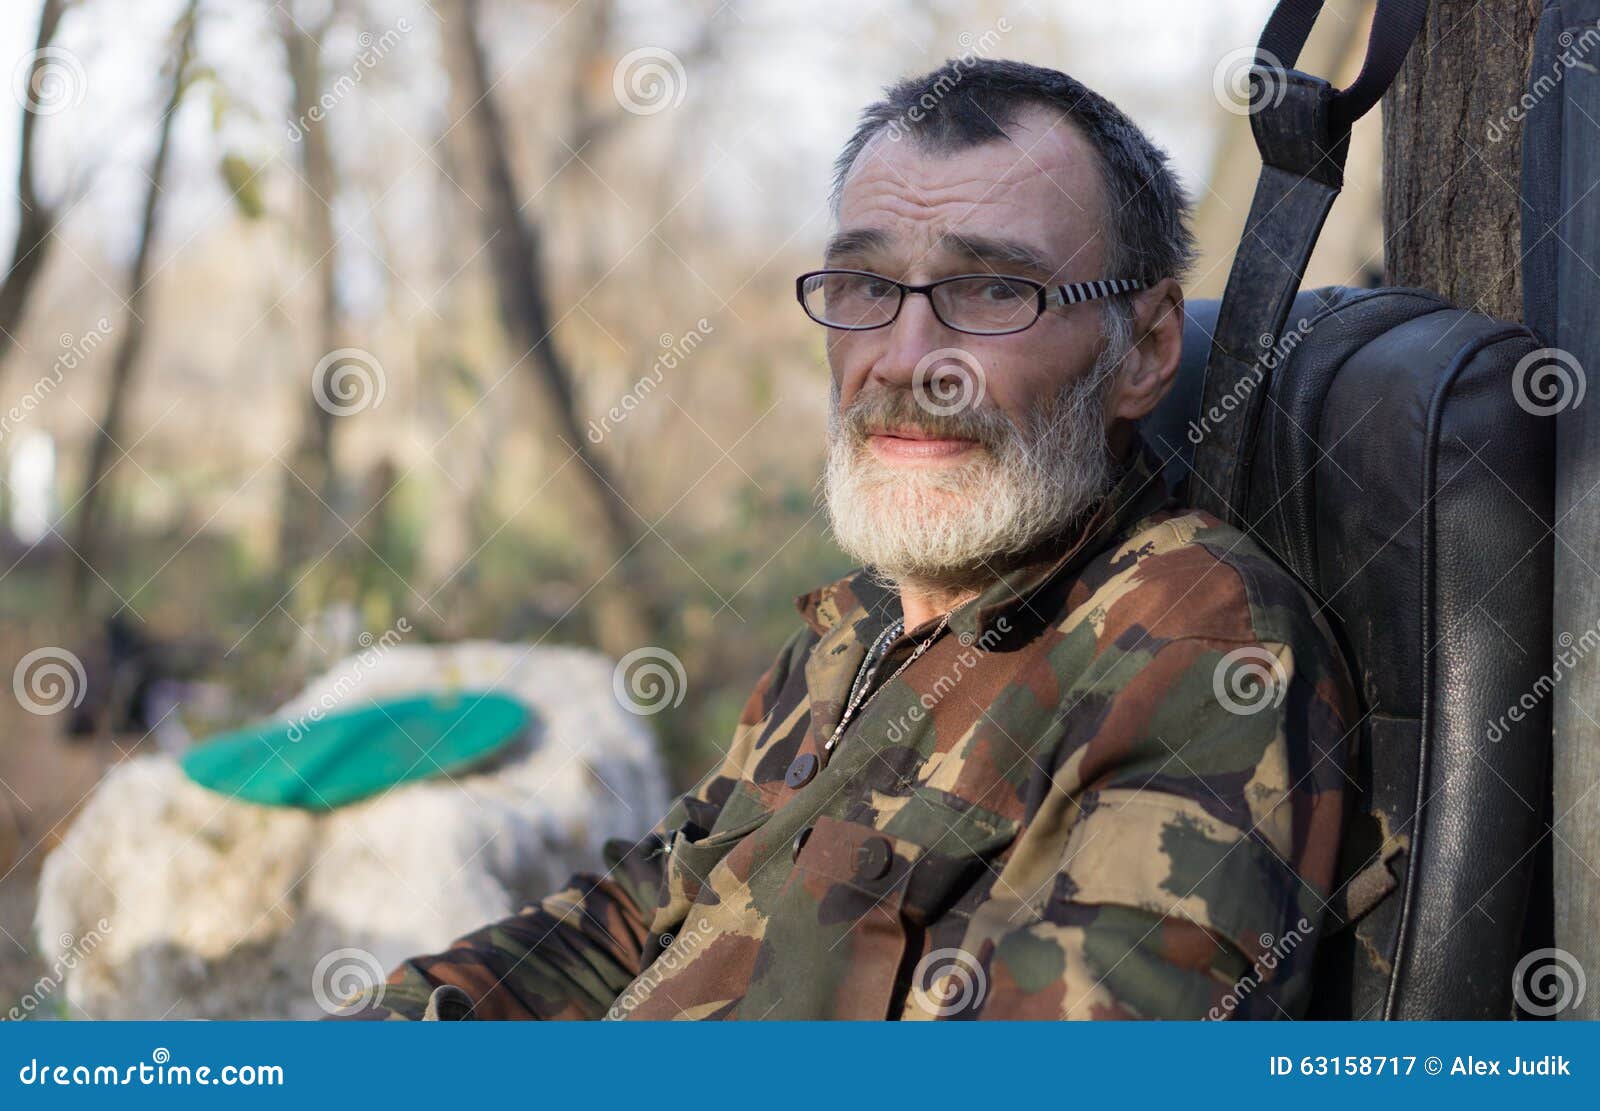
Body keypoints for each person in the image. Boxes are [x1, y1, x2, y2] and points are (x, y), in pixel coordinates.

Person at [331, 57, 1356, 1021]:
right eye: (866, 287)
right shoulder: (860, 622)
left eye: (992, 289)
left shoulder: (1192, 640)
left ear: (1146, 351)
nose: (905, 359)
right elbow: (641, 914)